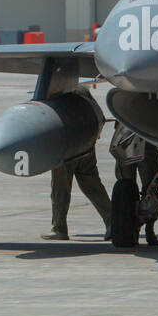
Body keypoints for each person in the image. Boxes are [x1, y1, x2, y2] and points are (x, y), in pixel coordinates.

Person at [43, 89, 112, 241]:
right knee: (93, 187)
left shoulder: (53, 93)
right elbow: (99, 116)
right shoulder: (82, 91)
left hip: (66, 148)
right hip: (86, 146)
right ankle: (113, 222)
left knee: (60, 189)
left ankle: (59, 228)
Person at [110, 122, 158, 246]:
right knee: (126, 190)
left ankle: (148, 227)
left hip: (142, 139)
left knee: (150, 189)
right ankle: (133, 230)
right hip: (128, 138)